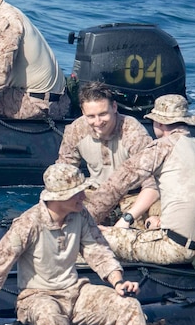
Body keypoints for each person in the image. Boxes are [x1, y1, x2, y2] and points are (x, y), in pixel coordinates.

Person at [0, 163, 150, 325]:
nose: (83, 196)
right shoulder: (28, 224)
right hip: (36, 297)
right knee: (50, 315)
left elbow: (98, 251)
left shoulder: (80, 215)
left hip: (76, 293)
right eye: (77, 193)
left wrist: (117, 283)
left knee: (128, 306)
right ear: (58, 197)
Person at [86, 94, 195, 265]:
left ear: (159, 123)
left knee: (93, 236)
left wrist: (86, 218)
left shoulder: (163, 146)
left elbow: (119, 182)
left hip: (174, 248)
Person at [56, 80, 155, 222]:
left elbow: (151, 184)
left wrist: (127, 219)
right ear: (83, 112)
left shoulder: (132, 132)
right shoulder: (76, 130)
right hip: (96, 193)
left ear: (114, 107)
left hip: (131, 196)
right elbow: (63, 173)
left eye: (103, 114)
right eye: (91, 116)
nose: (97, 122)